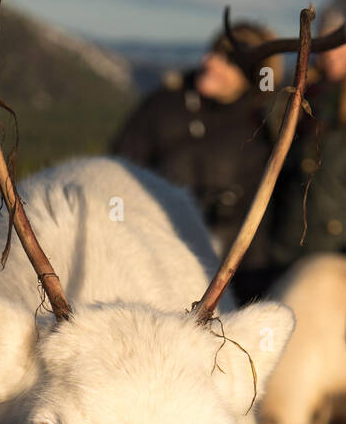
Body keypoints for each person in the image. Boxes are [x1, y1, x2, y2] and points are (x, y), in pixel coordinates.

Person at [111, 24, 282, 292]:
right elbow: (116, 175)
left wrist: (250, 292)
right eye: (212, 53)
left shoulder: (259, 135)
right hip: (144, 267)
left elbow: (257, 229)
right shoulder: (162, 107)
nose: (209, 62)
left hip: (217, 281)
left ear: (251, 75)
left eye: (226, 60)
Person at [254, 6, 346, 298]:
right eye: (325, 43)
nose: (332, 53)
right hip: (286, 249)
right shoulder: (302, 97)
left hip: (339, 257)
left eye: (341, 44)